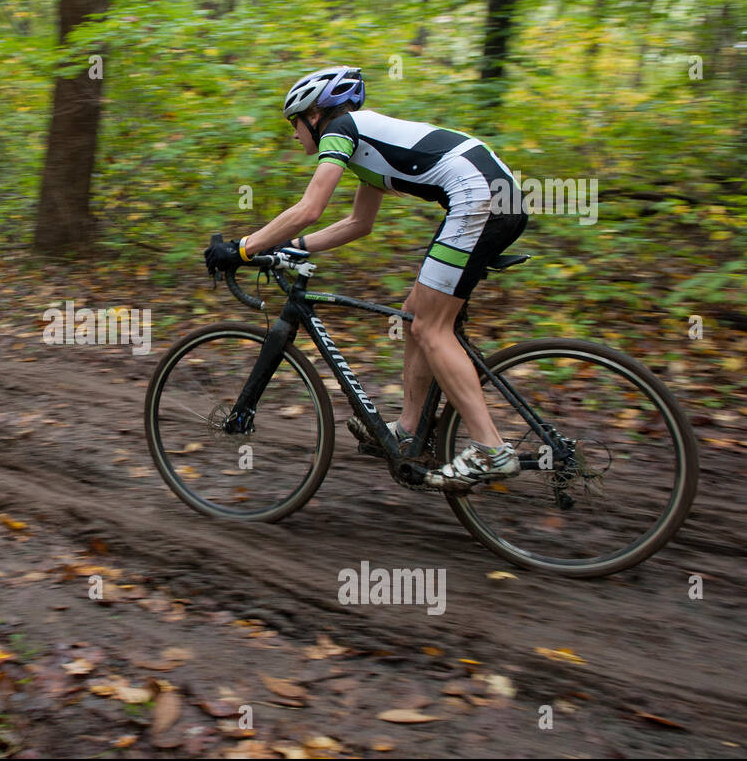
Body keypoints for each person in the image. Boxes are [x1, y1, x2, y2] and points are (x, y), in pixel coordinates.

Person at [203, 65, 529, 492]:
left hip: (478, 200)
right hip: (491, 197)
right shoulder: (364, 141)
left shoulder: (341, 128)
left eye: (293, 124)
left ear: (313, 116)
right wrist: (291, 247)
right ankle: (408, 430)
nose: (293, 134)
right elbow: (359, 223)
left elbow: (310, 208)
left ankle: (491, 449)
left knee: (432, 327)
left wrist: (244, 248)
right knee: (415, 314)